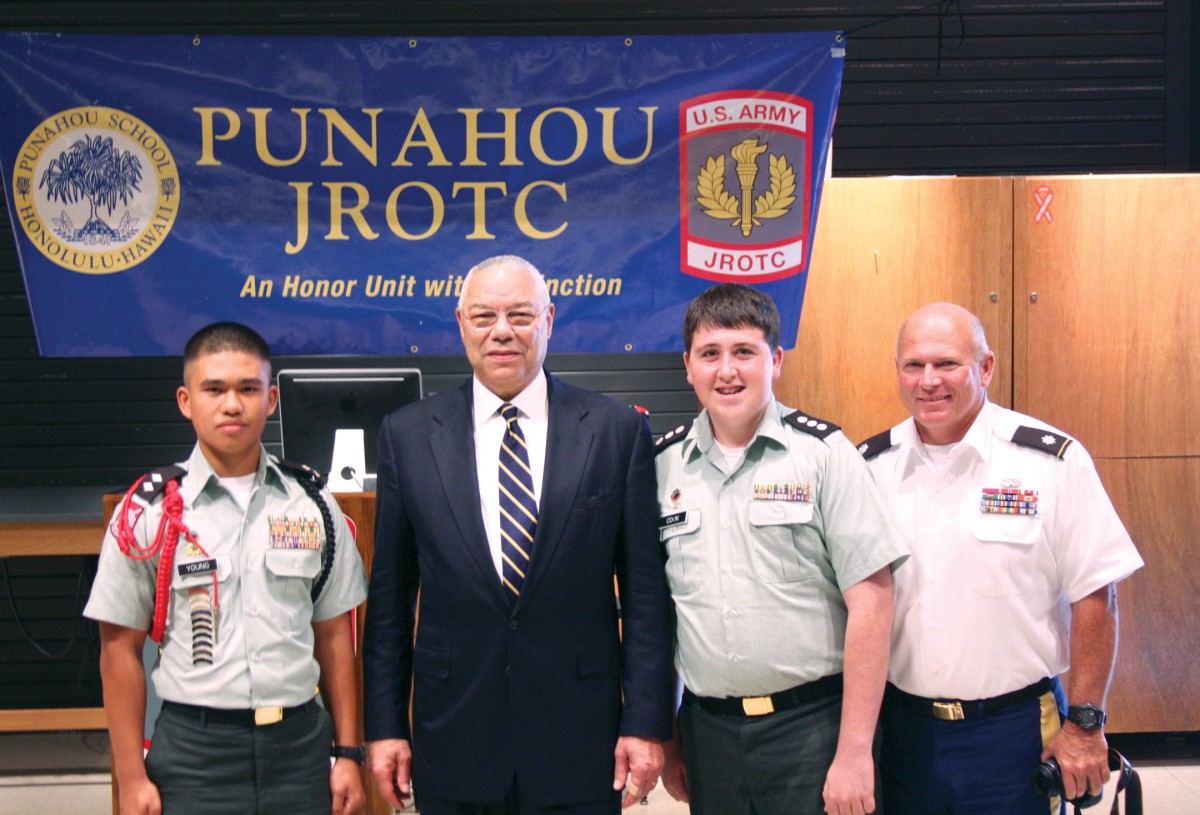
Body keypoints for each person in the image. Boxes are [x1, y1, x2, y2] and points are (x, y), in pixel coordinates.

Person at [363, 255, 673, 815]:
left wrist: (646, 723)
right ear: (460, 323)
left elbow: (646, 596)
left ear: (549, 319)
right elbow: (389, 600)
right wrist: (384, 727)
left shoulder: (615, 432)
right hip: (453, 736)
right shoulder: (407, 435)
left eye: (520, 315)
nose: (502, 331)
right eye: (484, 316)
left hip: (581, 739)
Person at [858, 302, 1145, 814]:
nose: (928, 381)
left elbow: (1096, 595)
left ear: (986, 367)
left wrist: (1085, 724)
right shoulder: (869, 468)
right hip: (904, 730)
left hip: (1014, 732)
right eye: (913, 365)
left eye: (947, 364)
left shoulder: (1049, 462)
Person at [84, 322, 368, 815]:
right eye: (213, 389)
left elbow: (335, 637)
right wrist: (130, 777)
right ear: (185, 400)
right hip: (195, 754)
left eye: (248, 389)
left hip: (300, 749)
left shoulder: (313, 504)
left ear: (272, 399)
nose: (232, 404)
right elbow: (119, 652)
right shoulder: (148, 512)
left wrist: (348, 753)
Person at [654, 283, 907, 815]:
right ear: (688, 366)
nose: (727, 371)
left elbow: (873, 603)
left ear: (776, 359)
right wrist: (670, 736)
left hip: (812, 729)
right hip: (708, 734)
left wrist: (856, 752)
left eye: (744, 351)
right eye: (710, 354)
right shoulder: (662, 466)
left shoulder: (825, 456)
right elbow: (659, 615)